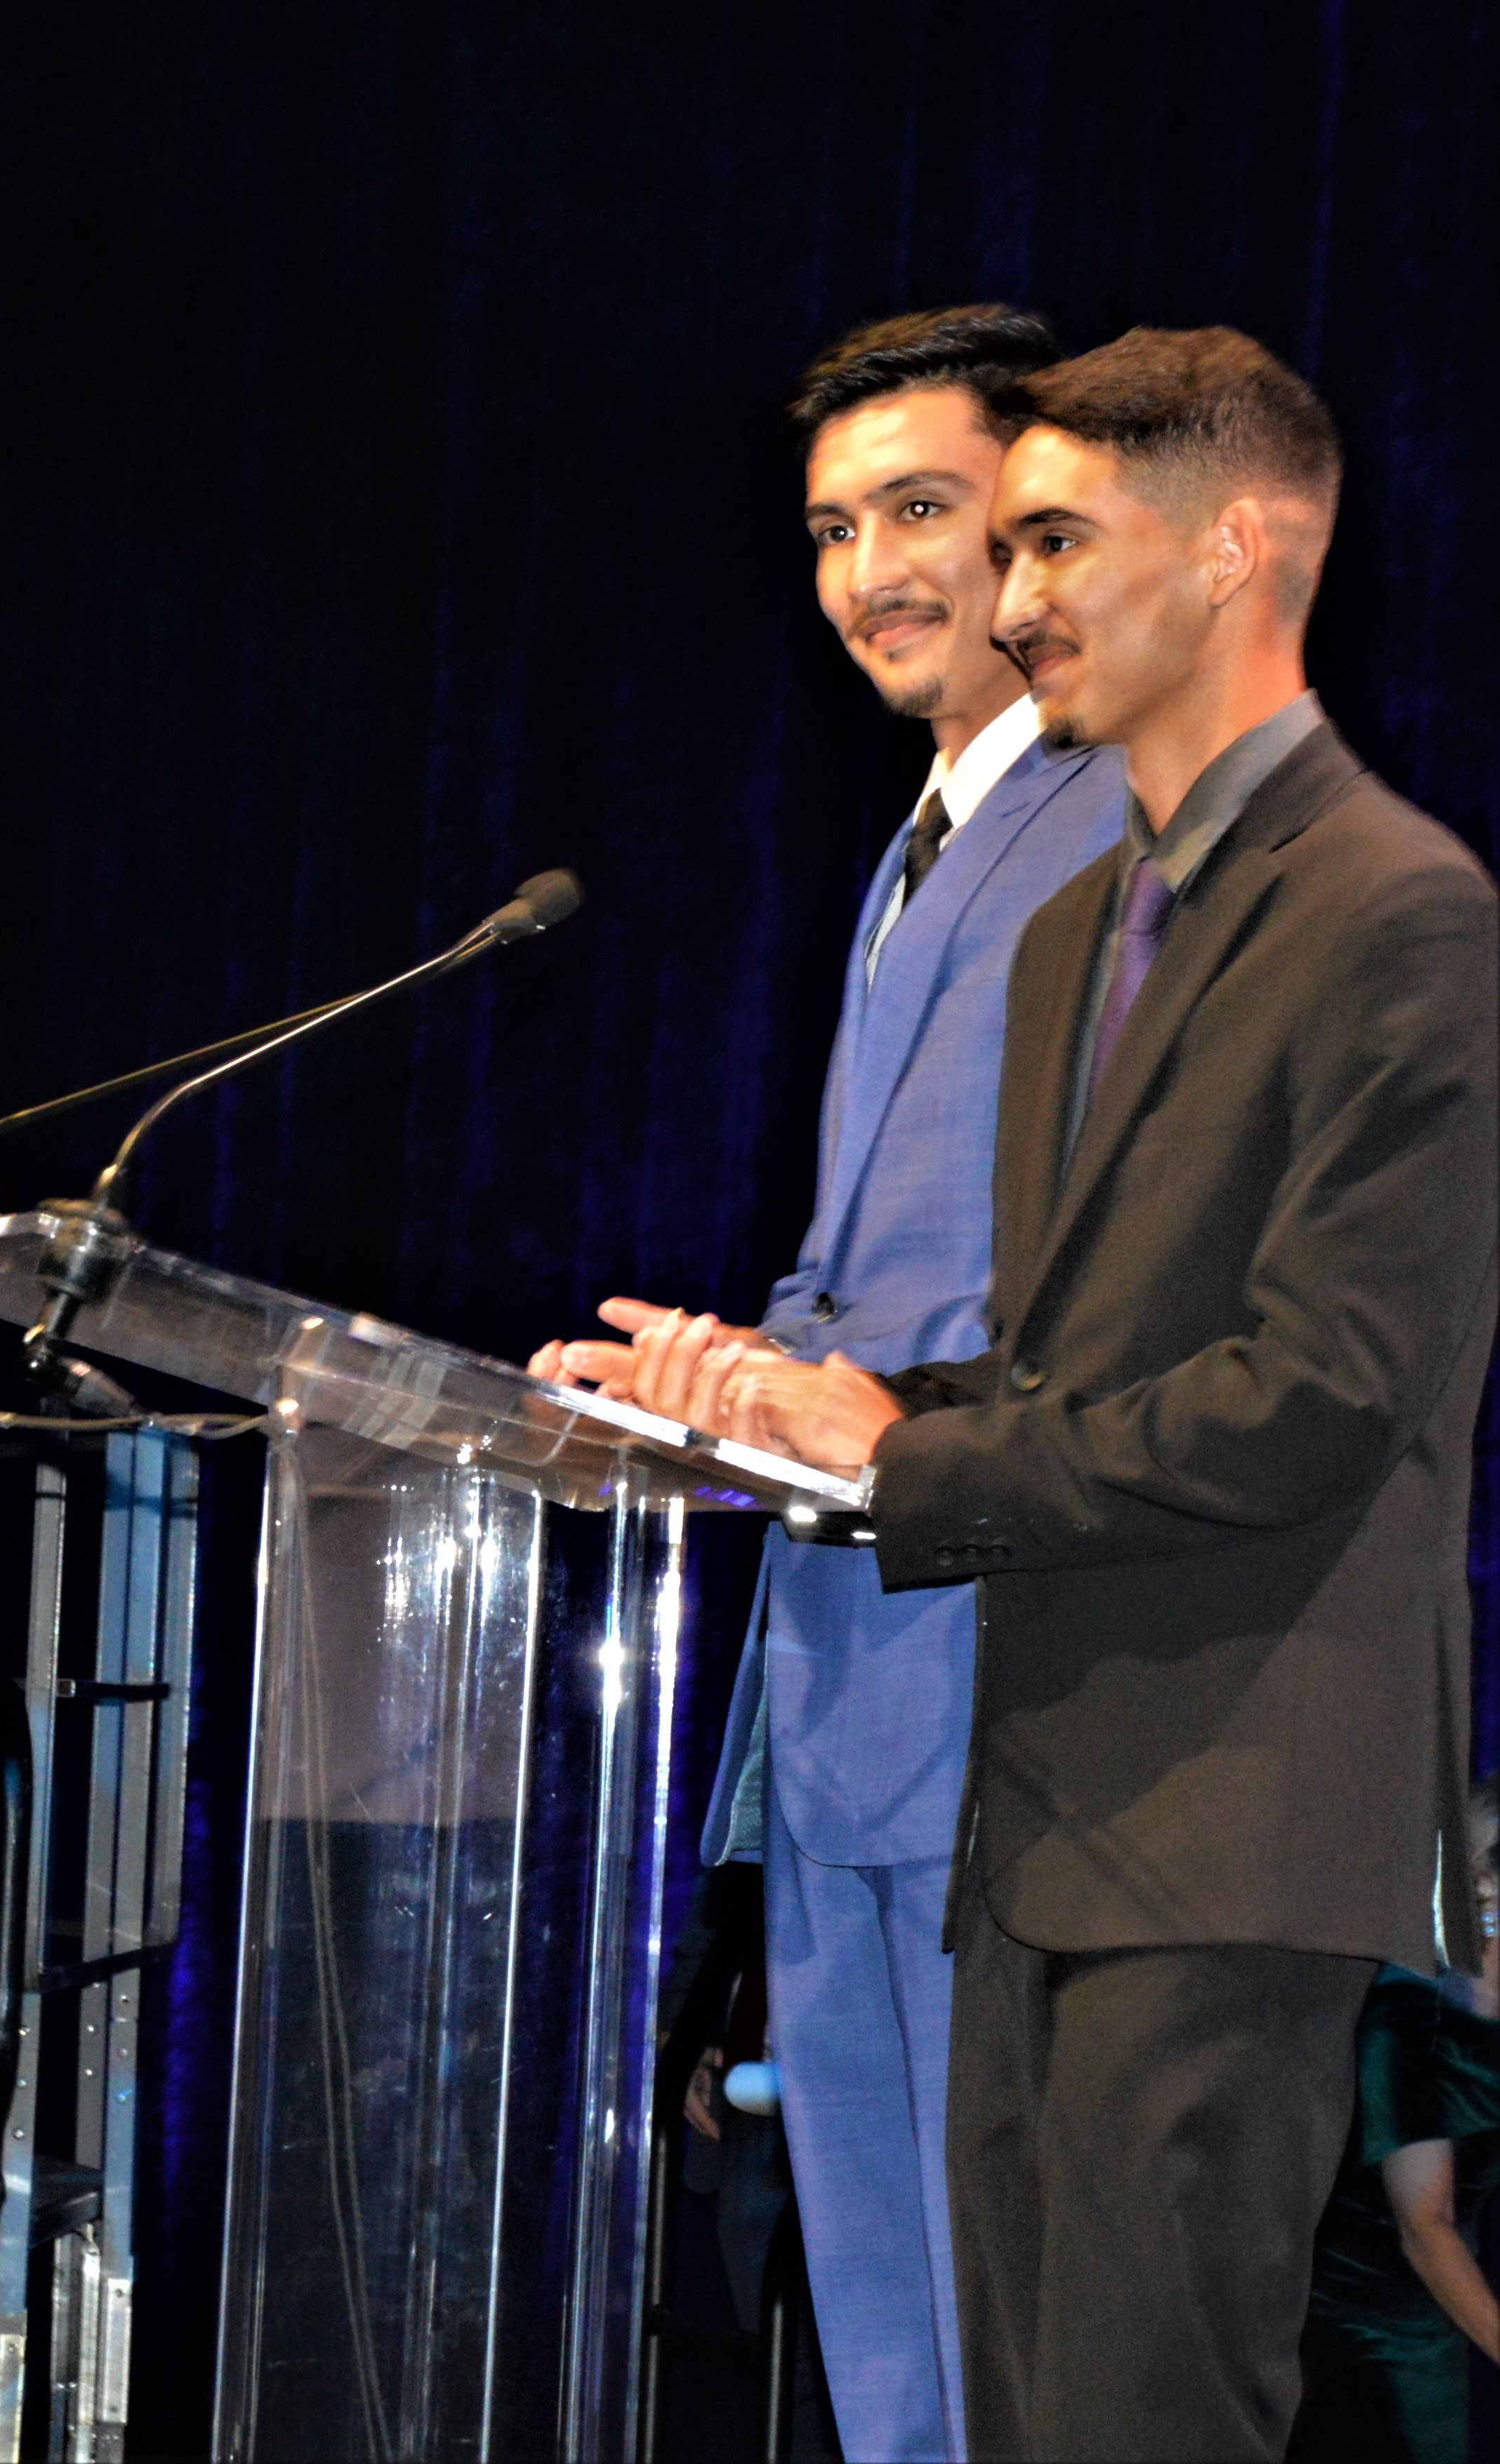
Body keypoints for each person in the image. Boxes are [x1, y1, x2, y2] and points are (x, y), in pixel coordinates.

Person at [611, 327, 1499, 2463]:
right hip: (944, 1730)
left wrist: (883, 1435)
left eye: (998, 528)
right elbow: (980, 1318)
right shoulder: (1007, 891)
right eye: (848, 529)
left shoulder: (1314, 888)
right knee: (956, 2374)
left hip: (1155, 1737)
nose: (954, 590)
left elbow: (1278, 1374)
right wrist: (732, 1393)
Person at [529, 306, 1125, 2463]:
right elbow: (870, 1265)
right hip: (849, 1675)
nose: (863, 567)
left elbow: (1142, 1283)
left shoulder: (1127, 825)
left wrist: (835, 1396)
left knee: (1014, 2332)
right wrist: (712, 1382)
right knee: (886, 2322)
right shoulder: (919, 847)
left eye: (916, 512)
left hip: (1020, 1678)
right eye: (826, 526)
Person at [1289, 1780, 1500, 2464]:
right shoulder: (1412, 2019)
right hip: (1372, 2341)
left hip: (1433, 2324)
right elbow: (1424, 2227)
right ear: (1487, 1886)